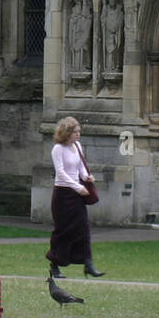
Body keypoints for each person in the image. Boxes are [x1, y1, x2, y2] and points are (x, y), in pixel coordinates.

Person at [46, 115, 103, 292]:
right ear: (66, 133)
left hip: (77, 192)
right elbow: (61, 173)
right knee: (63, 230)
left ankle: (88, 263)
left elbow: (79, 168)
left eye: (79, 132)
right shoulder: (58, 149)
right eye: (75, 132)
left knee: (83, 228)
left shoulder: (77, 146)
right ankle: (55, 265)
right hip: (63, 194)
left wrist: (86, 177)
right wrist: (77, 187)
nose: (78, 135)